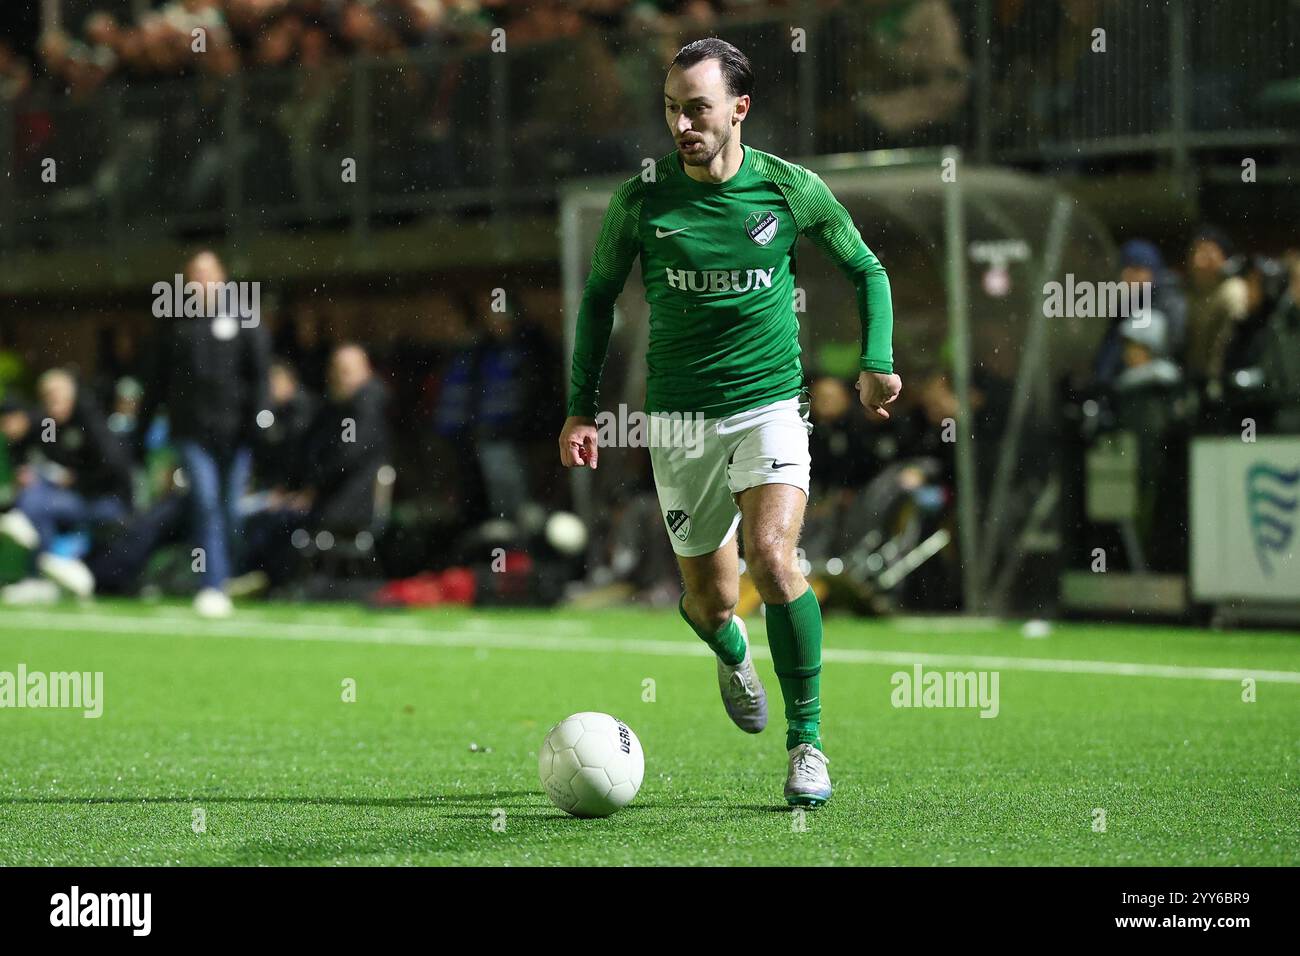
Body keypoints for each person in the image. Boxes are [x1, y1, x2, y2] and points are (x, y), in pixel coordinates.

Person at [558, 39, 900, 808]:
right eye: (673, 108)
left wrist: (875, 359)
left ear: (738, 109)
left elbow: (866, 269)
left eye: (699, 107)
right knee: (712, 601)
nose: (683, 122)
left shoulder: (790, 189)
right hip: (677, 423)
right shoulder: (640, 201)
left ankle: (807, 742)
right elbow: (596, 302)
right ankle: (732, 650)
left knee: (774, 561)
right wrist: (581, 408)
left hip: (770, 405)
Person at [137, 249, 270, 617]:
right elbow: (156, 382)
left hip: (235, 433)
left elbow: (259, 375)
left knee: (229, 508)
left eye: (208, 274)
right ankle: (212, 583)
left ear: (222, 277)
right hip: (192, 432)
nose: (201, 282)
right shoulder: (173, 321)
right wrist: (141, 430)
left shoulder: (243, 317)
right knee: (205, 503)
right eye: (194, 275)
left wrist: (260, 422)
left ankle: (231, 572)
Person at [0, 369, 133, 598]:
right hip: (74, 496)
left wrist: (76, 480)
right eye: (46, 396)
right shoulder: (49, 425)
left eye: (56, 394)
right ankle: (47, 569)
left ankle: (41, 575)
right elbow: (30, 439)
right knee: (35, 495)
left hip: (106, 501)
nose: (52, 401)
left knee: (38, 506)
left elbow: (115, 467)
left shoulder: (90, 421)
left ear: (71, 394)